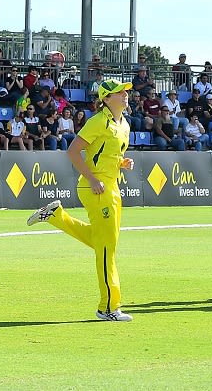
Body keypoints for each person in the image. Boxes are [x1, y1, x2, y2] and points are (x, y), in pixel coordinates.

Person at [25, 78, 137, 322]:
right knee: (107, 248)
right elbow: (73, 151)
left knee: (104, 242)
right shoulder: (98, 121)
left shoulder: (124, 124)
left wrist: (122, 162)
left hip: (111, 185)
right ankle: (108, 307)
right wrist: (93, 179)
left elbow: (107, 154)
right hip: (96, 187)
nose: (126, 95)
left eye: (125, 92)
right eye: (120, 92)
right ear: (106, 99)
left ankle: (57, 217)